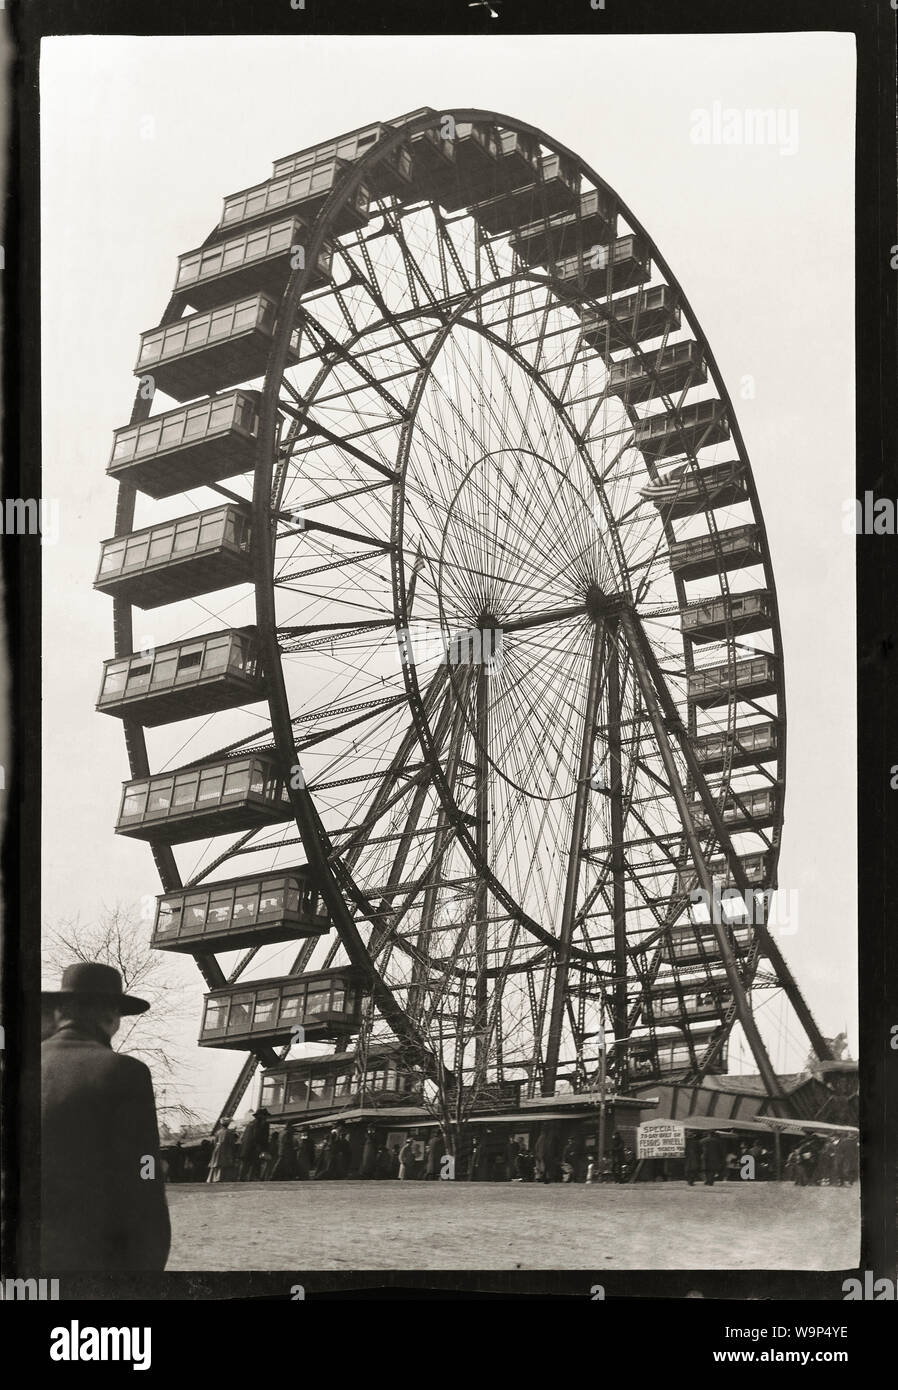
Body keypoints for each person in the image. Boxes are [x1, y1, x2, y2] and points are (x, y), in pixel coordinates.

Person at [41, 962, 170, 1272]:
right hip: (88, 1253)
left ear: (61, 1012)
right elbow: (144, 1172)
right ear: (111, 1016)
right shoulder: (124, 1072)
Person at [238, 1108, 270, 1182]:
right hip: (254, 1147)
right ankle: (252, 1177)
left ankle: (241, 1178)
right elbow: (258, 1136)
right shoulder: (261, 1124)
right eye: (265, 1116)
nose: (266, 1117)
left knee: (245, 1163)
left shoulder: (250, 1124)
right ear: (261, 1116)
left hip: (245, 1147)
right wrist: (263, 1148)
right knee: (255, 1163)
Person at [208, 1117, 238, 1183]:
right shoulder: (229, 1132)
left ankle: (214, 1178)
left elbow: (215, 1142)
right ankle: (223, 1178)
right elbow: (232, 1142)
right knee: (225, 1164)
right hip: (227, 1149)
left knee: (217, 1163)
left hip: (218, 1149)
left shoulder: (218, 1132)